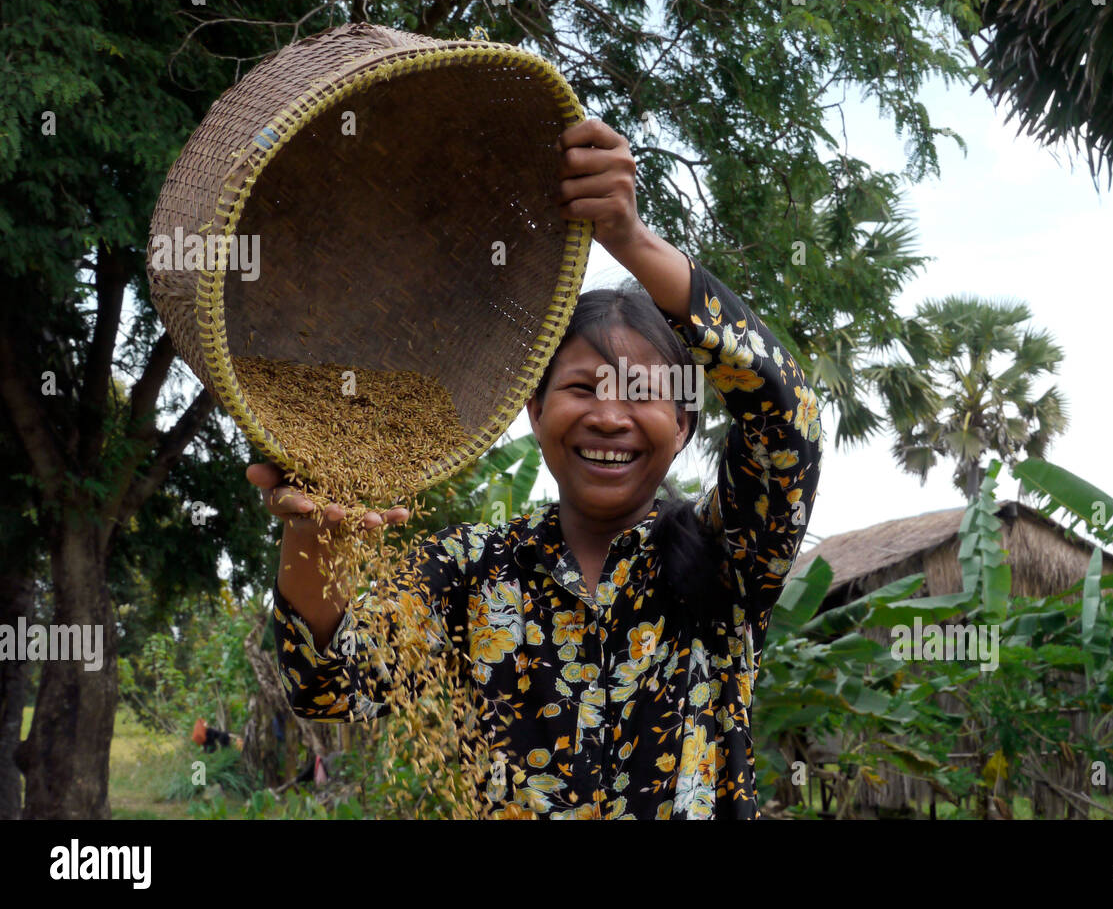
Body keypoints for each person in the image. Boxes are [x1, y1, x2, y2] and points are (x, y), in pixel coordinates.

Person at [248, 119, 823, 819]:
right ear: (534, 409)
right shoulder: (469, 567)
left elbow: (787, 414)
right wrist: (314, 529)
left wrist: (631, 241)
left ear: (683, 426)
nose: (610, 417)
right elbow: (331, 685)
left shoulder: (731, 555)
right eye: (582, 388)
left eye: (642, 392)